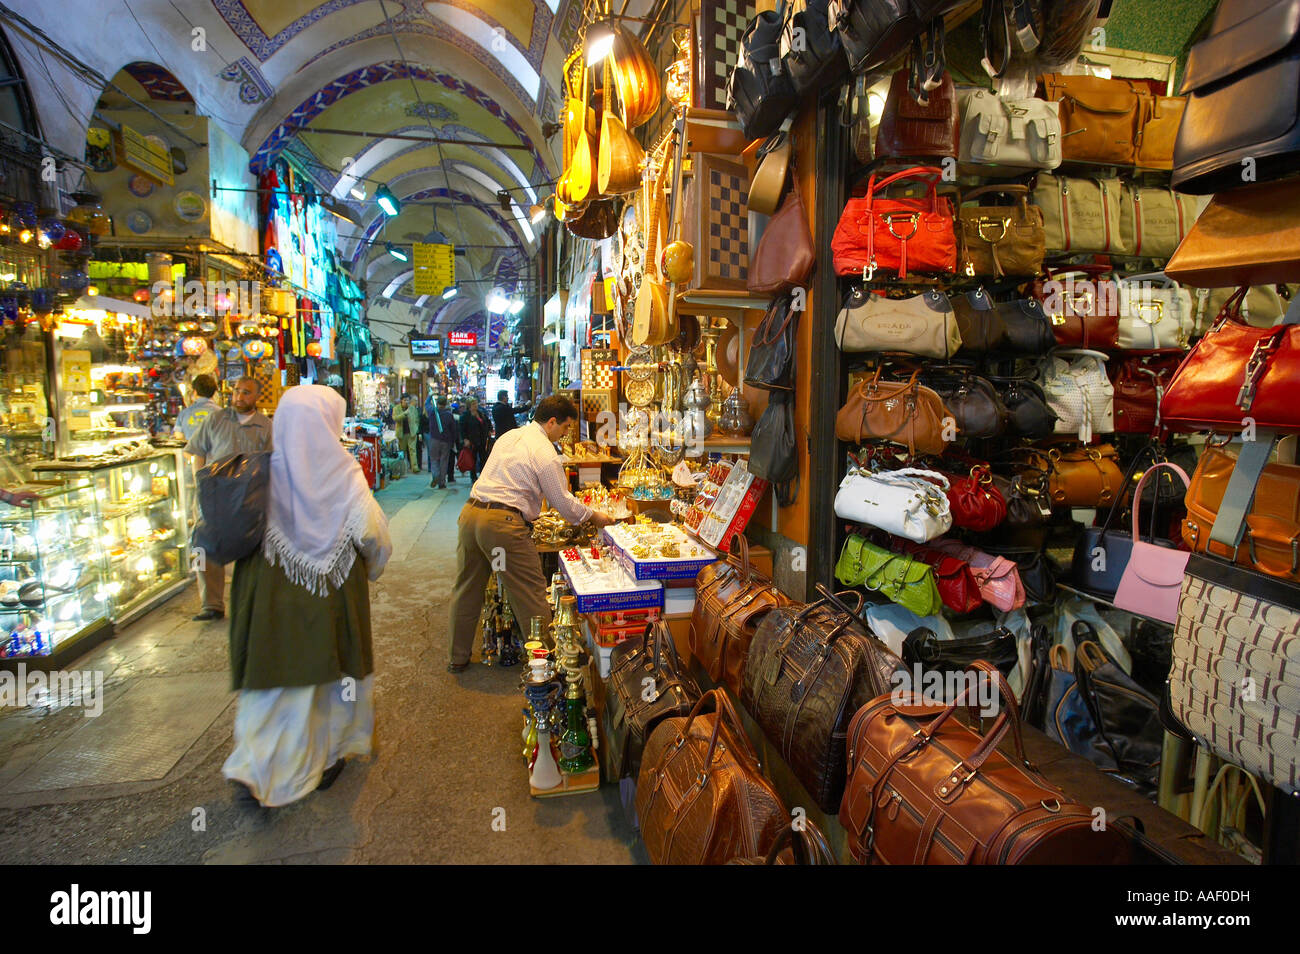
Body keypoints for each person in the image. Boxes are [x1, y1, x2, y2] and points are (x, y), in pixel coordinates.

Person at [223, 384, 392, 807]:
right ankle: (331, 753)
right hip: (332, 590)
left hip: (269, 590)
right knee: (335, 675)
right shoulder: (343, 472)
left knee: (274, 675)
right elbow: (372, 534)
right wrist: (373, 567)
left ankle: (257, 763)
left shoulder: (261, 471)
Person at [447, 395, 616, 673]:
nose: (564, 435)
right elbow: (563, 503)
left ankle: (457, 657)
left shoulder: (510, 436)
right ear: (551, 422)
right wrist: (595, 516)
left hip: (471, 515)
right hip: (501, 525)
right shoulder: (544, 452)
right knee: (529, 593)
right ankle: (547, 664)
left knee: (466, 589)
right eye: (564, 428)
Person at [185, 376, 273, 622]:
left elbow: (272, 461)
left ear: (256, 396)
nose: (239, 397)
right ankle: (211, 604)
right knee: (203, 547)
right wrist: (201, 481)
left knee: (252, 548)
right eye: (236, 391)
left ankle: (250, 601)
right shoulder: (215, 419)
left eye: (246, 393)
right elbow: (197, 452)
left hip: (248, 498)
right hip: (214, 495)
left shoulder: (265, 426)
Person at [174, 374, 220, 441]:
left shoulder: (184, 413)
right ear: (214, 393)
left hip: (190, 450)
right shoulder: (222, 413)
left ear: (195, 392)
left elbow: (178, 436)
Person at [427, 395, 459, 489]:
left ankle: (435, 475)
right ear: (446, 404)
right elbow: (453, 429)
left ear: (437, 403)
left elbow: (426, 404)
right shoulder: (449, 415)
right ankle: (442, 482)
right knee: (444, 461)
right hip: (446, 441)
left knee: (434, 459)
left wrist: (430, 396)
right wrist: (453, 441)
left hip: (434, 439)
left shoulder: (432, 412)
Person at [459, 397, 492, 481]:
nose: (475, 405)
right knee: (472, 458)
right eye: (473, 404)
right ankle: (473, 477)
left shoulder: (480, 413)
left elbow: (487, 422)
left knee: (483, 458)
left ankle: (482, 475)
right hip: (472, 440)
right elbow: (462, 428)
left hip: (482, 439)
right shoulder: (466, 415)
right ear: (469, 405)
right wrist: (465, 439)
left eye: (476, 403)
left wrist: (489, 430)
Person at [394, 394, 421, 473]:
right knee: (402, 451)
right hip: (401, 433)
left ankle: (415, 467)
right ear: (401, 400)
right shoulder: (396, 408)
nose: (407, 402)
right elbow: (395, 418)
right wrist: (404, 414)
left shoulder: (412, 408)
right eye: (405, 400)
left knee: (413, 451)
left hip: (411, 432)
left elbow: (416, 419)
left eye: (408, 400)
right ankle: (402, 468)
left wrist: (416, 428)